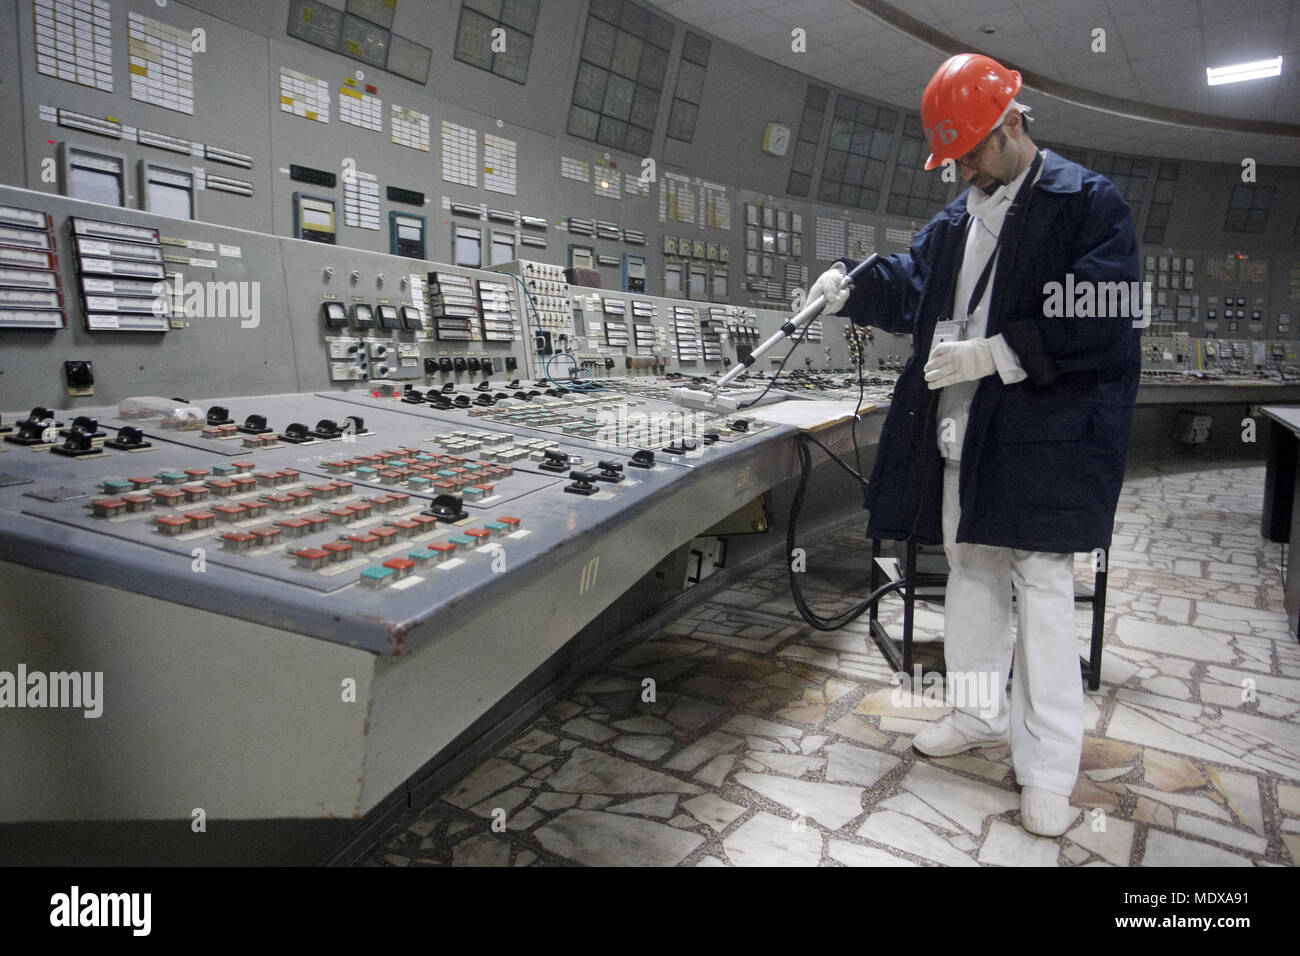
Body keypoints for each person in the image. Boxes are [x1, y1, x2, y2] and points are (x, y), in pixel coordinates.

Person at [814, 53, 1141, 837]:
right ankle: (973, 713)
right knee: (971, 574)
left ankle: (1050, 768)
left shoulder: (1089, 203)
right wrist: (851, 285)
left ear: (1011, 124)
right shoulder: (961, 213)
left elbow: (1105, 316)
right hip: (964, 430)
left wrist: (997, 352)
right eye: (952, 157)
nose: (961, 169)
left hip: (1043, 440)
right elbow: (914, 277)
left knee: (1046, 599)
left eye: (970, 151)